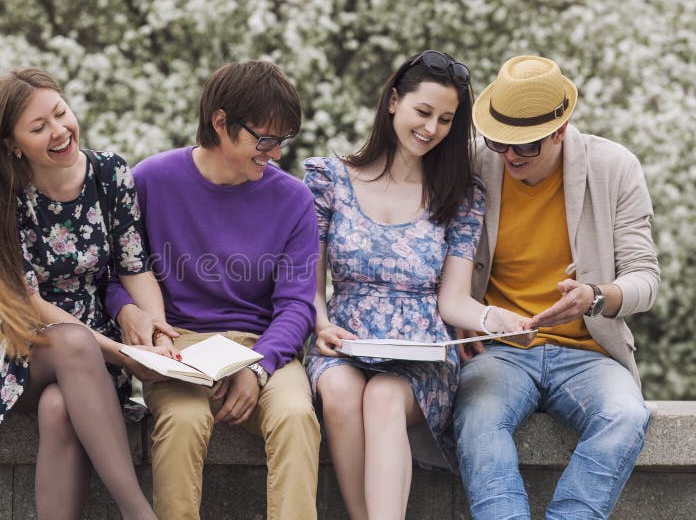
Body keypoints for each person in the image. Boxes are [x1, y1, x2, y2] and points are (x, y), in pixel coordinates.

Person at [302, 50, 531, 520]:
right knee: (342, 394)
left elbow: (453, 300)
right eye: (423, 112)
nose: (432, 129)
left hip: (421, 348)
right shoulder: (330, 179)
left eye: (446, 120)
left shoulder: (460, 193)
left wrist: (497, 320)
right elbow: (309, 277)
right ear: (392, 102)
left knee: (385, 397)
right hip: (343, 338)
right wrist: (320, 324)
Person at [105, 60, 321, 520]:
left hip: (262, 349)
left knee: (297, 417)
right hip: (177, 345)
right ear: (221, 123)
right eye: (265, 140)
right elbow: (111, 275)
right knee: (182, 422)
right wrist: (128, 312)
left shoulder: (295, 199)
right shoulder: (150, 180)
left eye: (282, 141)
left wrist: (258, 368)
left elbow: (298, 306)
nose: (276, 153)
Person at [0, 67, 168, 520]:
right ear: (12, 144)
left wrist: (156, 334)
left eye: (60, 112)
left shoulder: (109, 173)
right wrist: (121, 355)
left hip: (94, 353)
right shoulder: (2, 195)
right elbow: (26, 303)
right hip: (19, 349)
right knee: (72, 344)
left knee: (58, 409)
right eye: (38, 127)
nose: (59, 131)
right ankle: (139, 513)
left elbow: (135, 267)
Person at [453, 55, 660, 519]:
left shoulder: (615, 167)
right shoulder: (473, 164)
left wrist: (595, 297)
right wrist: (465, 318)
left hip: (589, 352)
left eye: (525, 147)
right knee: (477, 420)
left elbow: (646, 279)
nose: (509, 157)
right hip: (500, 349)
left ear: (560, 130)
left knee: (626, 415)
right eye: (499, 142)